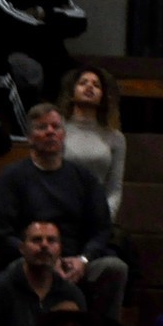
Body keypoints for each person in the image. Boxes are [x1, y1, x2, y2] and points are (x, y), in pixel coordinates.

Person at [0, 102, 126, 326]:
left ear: (63, 135)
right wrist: (42, 260)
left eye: (55, 127)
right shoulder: (13, 177)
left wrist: (83, 260)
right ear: (30, 138)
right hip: (30, 258)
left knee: (114, 268)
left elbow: (101, 228)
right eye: (42, 127)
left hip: (76, 259)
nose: (50, 132)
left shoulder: (83, 178)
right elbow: (4, 232)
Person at [59, 64, 125, 220]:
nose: (89, 86)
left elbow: (114, 188)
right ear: (72, 92)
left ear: (103, 96)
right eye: (83, 83)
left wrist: (106, 218)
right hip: (60, 212)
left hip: (96, 214)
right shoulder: (57, 129)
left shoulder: (115, 137)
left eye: (96, 85)